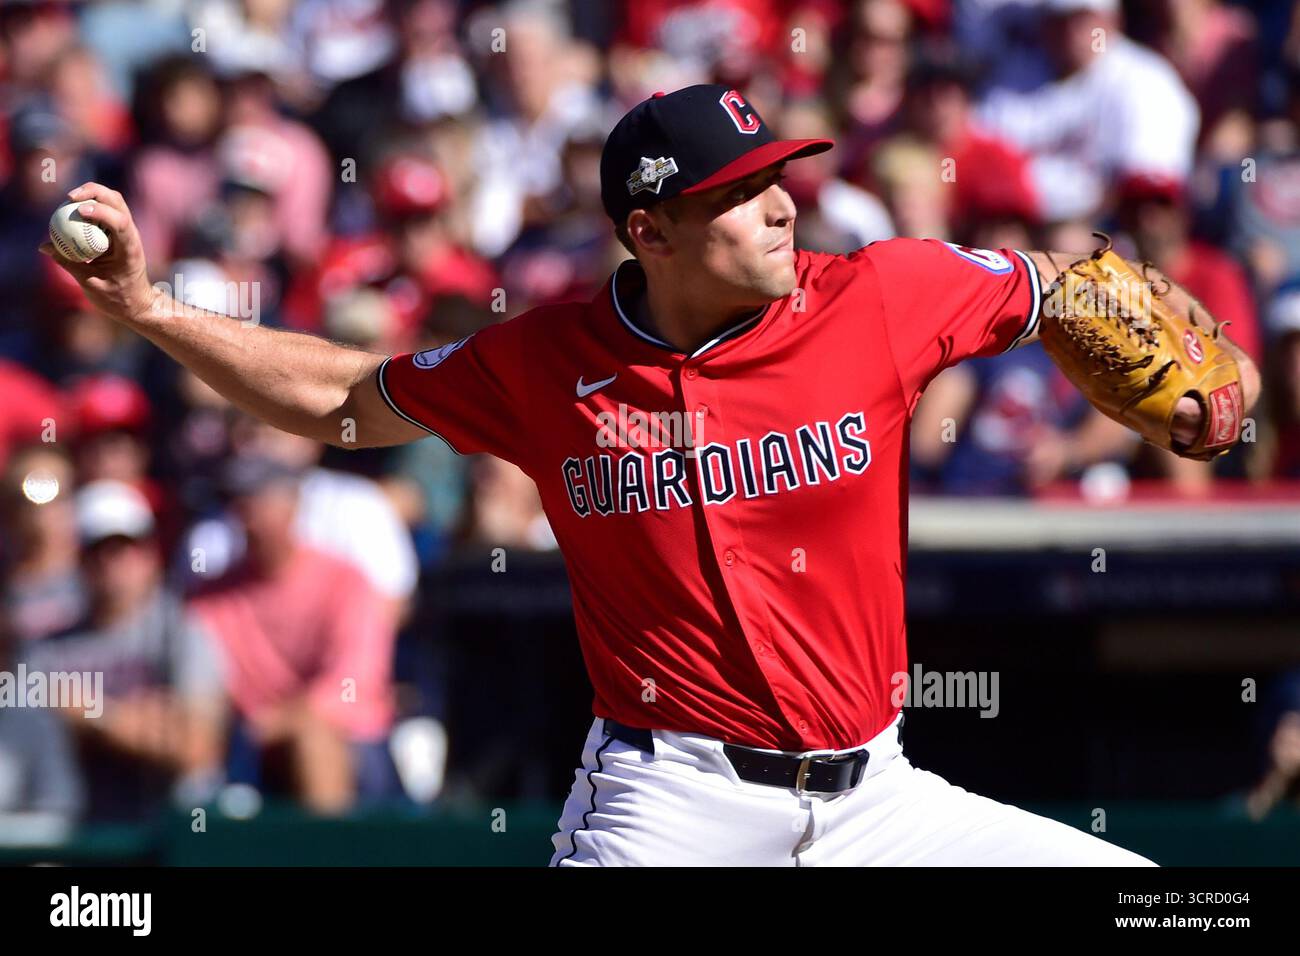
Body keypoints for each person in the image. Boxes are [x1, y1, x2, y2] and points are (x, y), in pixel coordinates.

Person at [41, 84, 1260, 865]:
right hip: (670, 803)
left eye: (779, 175)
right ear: (651, 232)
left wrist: (1168, 355)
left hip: (884, 795)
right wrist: (152, 308)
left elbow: (1051, 284)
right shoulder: (544, 361)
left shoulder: (879, 296)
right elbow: (341, 399)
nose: (782, 206)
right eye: (740, 194)